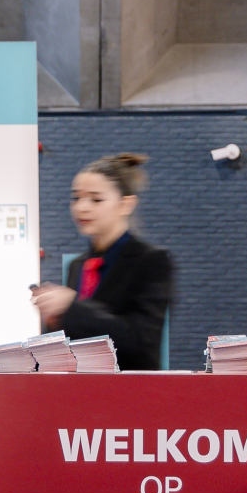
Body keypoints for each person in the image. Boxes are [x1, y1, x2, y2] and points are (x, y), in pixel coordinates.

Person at [33, 154, 175, 370]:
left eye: (96, 199)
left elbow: (141, 341)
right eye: (76, 198)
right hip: (81, 392)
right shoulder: (78, 265)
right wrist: (55, 321)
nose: (82, 207)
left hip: (130, 393)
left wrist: (71, 307)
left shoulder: (150, 260)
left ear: (126, 204)